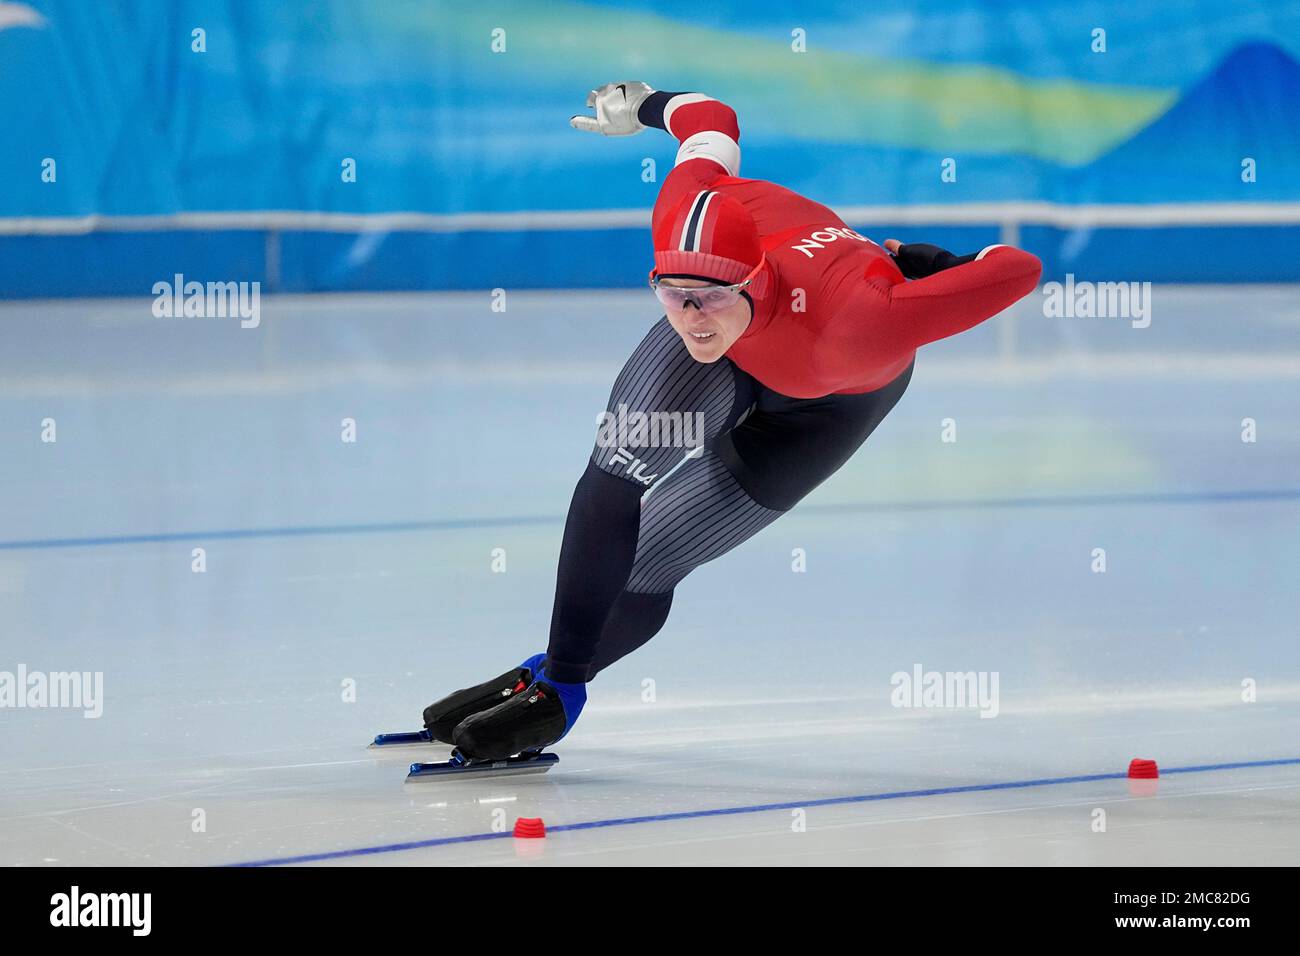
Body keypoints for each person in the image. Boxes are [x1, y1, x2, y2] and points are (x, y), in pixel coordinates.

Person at [423, 81, 1042, 761]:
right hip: (742, 351)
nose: (689, 319)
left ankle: (560, 683)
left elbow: (1018, 269)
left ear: (755, 278)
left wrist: (939, 267)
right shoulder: (687, 213)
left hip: (826, 406)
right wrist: (641, 103)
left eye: (708, 298)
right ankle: (552, 678)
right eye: (671, 294)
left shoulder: (863, 322)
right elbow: (709, 119)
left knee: (655, 557)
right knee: (618, 464)